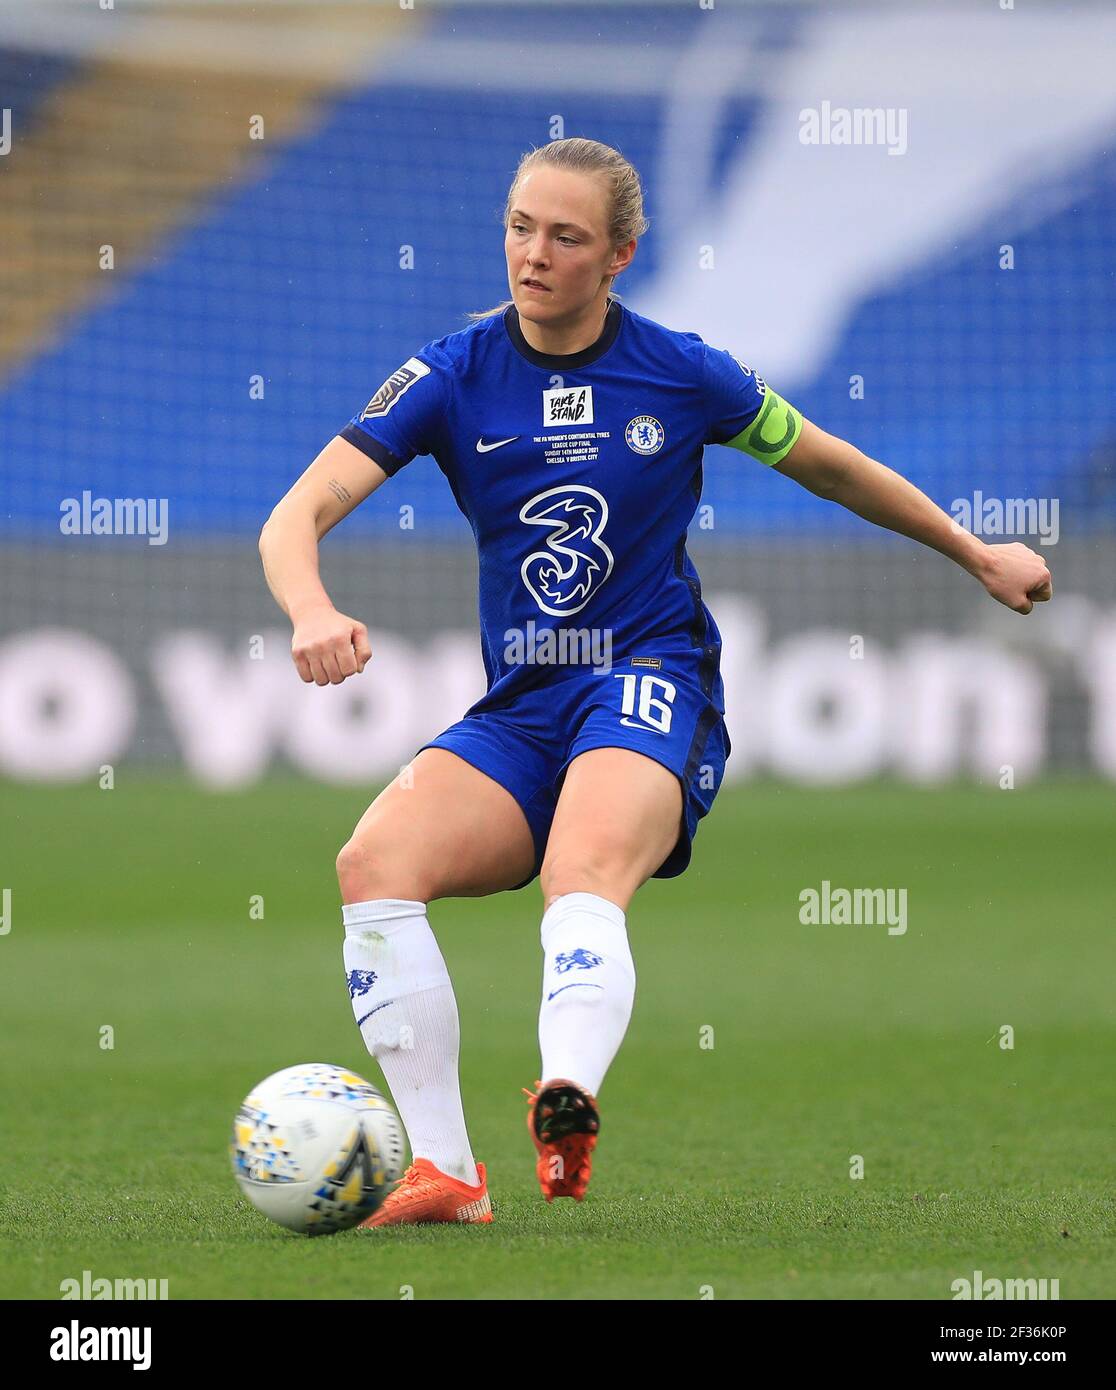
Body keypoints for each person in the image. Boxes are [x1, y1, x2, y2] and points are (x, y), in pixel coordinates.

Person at [258, 137, 1052, 1226]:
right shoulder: (449, 373)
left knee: (581, 869)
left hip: (647, 677)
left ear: (620, 254)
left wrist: (975, 550)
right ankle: (446, 1171)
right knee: (373, 864)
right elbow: (294, 514)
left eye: (567, 236)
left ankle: (568, 1090)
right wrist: (310, 607)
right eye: (520, 227)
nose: (534, 255)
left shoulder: (684, 370)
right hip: (524, 705)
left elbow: (830, 464)